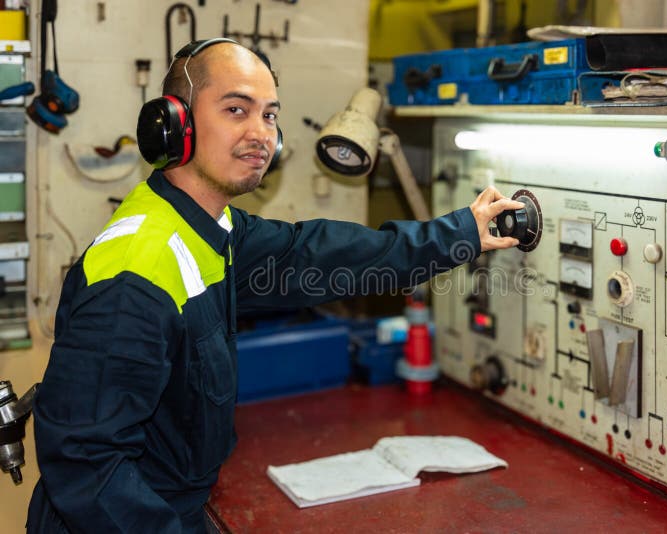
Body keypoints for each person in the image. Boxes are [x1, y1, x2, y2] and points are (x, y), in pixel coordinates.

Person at [26, 38, 523, 533]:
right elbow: (87, 467)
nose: (260, 134)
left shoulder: (209, 228)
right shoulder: (136, 273)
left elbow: (317, 255)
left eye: (269, 116)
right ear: (175, 122)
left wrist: (459, 233)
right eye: (236, 109)